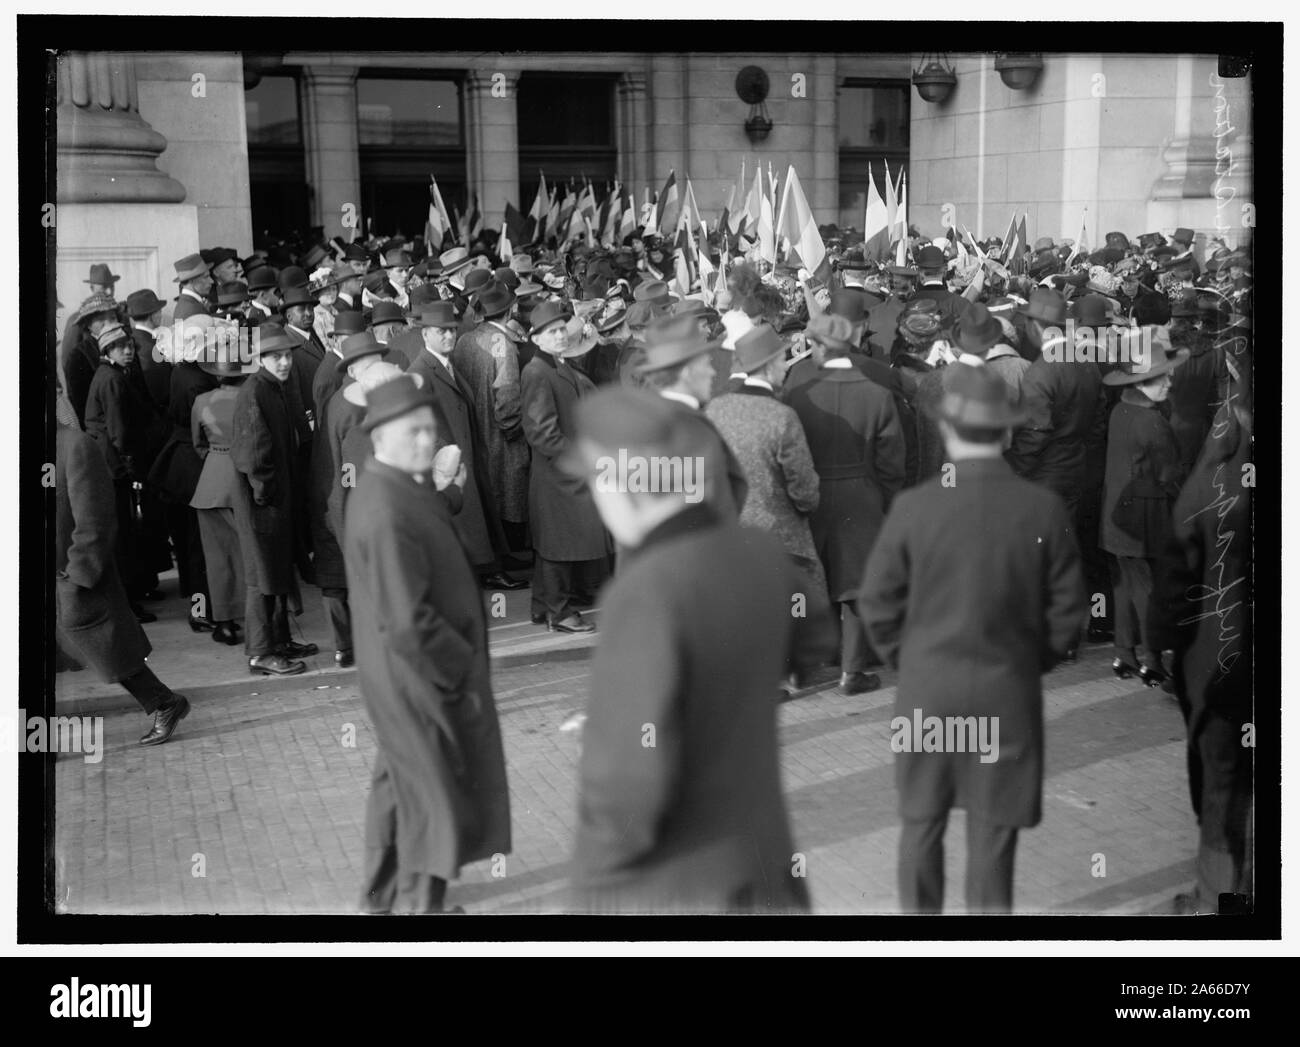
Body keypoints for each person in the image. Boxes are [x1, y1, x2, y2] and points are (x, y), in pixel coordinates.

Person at [566, 386, 835, 912]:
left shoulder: (642, 591)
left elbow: (629, 783)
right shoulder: (758, 552)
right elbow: (816, 642)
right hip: (764, 865)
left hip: (677, 884)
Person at [858, 363, 1087, 913]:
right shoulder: (1041, 508)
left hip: (928, 691)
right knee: (991, 833)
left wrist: (909, 660)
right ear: (1008, 433)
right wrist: (1029, 662)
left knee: (921, 823)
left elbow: (877, 604)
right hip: (1004, 690)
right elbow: (1068, 611)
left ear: (947, 432)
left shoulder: (915, 508)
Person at [345, 374, 511, 914]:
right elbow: (409, 620)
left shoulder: (395, 487)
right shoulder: (386, 508)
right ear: (381, 437)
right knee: (433, 799)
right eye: (414, 432)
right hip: (421, 677)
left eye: (429, 430)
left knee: (399, 789)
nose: (427, 441)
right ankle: (420, 911)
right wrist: (461, 666)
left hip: (402, 674)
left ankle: (381, 897)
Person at [1148, 353, 1253, 914]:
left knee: (1222, 779)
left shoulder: (1220, 476)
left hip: (1226, 655)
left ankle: (1218, 900)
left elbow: (1179, 562)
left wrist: (1160, 639)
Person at [55, 367, 191, 746]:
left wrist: (79, 577)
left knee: (113, 652)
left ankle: (165, 702)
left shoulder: (75, 446)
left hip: (74, 578)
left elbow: (95, 521)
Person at [786, 312, 906, 695]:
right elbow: (892, 463)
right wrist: (883, 502)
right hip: (861, 494)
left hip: (812, 493)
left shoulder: (799, 394)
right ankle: (851, 671)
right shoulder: (877, 393)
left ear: (820, 346)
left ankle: (797, 666)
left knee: (802, 582)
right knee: (855, 586)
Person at [704, 321, 825, 619]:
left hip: (729, 535)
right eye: (782, 360)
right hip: (781, 538)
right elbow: (805, 490)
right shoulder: (781, 416)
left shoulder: (714, 410)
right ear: (769, 365)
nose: (785, 367)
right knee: (796, 615)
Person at [408, 299, 522, 591]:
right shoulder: (421, 371)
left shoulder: (447, 364)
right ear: (425, 334)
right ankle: (483, 570)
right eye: (440, 331)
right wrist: (446, 457)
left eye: (451, 330)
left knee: (478, 516)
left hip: (467, 454)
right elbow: (420, 426)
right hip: (451, 461)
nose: (449, 336)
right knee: (465, 519)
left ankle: (488, 566)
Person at [1099, 329, 1189, 686]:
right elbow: (1169, 474)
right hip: (1144, 519)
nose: (1168, 382)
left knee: (1123, 585)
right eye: (1160, 378)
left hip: (1114, 514)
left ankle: (1124, 654)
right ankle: (1153, 659)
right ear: (1143, 382)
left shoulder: (1120, 410)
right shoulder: (1153, 422)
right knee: (1146, 589)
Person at [230, 324, 318, 677]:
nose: (284, 363)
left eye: (286, 356)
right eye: (276, 357)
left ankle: (278, 641)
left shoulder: (273, 387)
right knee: (262, 577)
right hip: (262, 501)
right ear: (260, 359)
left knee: (276, 572)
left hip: (274, 498)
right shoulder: (254, 392)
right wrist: (267, 496)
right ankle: (261, 652)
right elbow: (255, 455)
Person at [520, 299, 611, 632]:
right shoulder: (536, 372)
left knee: (555, 544)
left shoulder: (554, 365)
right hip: (559, 473)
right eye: (551, 332)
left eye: (561, 330)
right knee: (559, 545)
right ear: (537, 339)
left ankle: (543, 607)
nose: (559, 336)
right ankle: (559, 614)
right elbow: (541, 432)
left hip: (562, 471)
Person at [635, 315, 748, 520]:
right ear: (687, 372)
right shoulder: (690, 427)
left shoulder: (645, 421)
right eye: (706, 364)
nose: (712, 372)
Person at [450, 282, 533, 556]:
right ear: (509, 311)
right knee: (510, 494)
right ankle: (510, 555)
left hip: (475, 429)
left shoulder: (465, 339)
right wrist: (514, 432)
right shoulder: (504, 345)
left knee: (490, 493)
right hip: (502, 434)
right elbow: (507, 395)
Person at [190, 348, 248, 647]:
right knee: (251, 554)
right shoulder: (251, 398)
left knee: (218, 559)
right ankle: (259, 616)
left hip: (210, 484)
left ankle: (224, 624)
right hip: (245, 480)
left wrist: (217, 456)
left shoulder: (201, 401)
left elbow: (198, 444)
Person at [171, 253, 213, 321]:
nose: (212, 281)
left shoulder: (184, 304)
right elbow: (210, 331)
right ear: (192, 281)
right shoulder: (193, 309)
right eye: (206, 277)